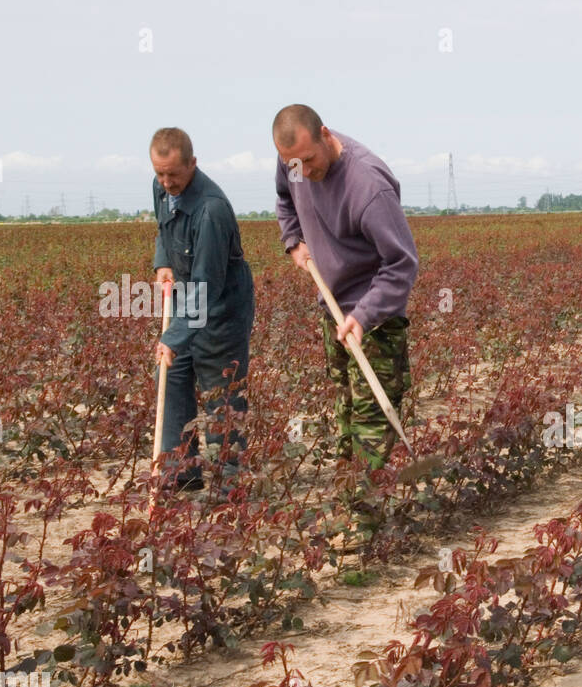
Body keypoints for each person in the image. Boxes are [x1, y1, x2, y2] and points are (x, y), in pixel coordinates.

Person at [272, 104, 418, 496]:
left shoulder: (369, 186)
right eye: (293, 162)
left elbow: (401, 264)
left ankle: (361, 525)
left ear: (325, 133)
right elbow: (285, 198)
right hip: (331, 306)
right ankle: (347, 499)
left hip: (375, 317)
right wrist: (293, 241)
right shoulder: (293, 162)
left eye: (309, 160)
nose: (304, 169)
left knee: (371, 418)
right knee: (346, 409)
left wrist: (365, 314)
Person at [150, 127, 255, 493]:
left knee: (220, 393)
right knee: (173, 377)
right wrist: (163, 260)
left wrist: (174, 335)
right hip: (186, 295)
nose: (166, 182)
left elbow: (206, 285)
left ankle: (230, 486)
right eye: (160, 174)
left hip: (221, 306)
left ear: (193, 164)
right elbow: (164, 232)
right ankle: (181, 471)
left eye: (174, 174)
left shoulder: (211, 210)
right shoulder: (161, 189)